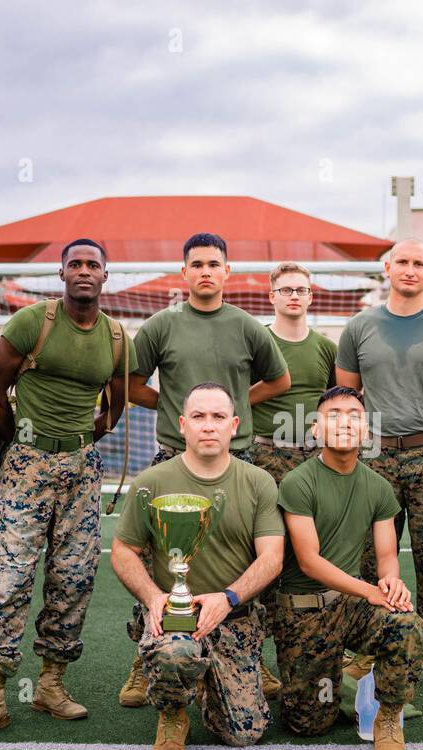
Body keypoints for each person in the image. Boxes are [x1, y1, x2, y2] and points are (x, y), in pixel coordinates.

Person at [0, 238, 133, 741]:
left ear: (105, 276)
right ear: (61, 273)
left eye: (93, 264)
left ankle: (52, 684)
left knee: (74, 578)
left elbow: (117, 404)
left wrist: (82, 438)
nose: (84, 271)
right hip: (28, 466)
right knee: (11, 577)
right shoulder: (32, 322)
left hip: (83, 469)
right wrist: (22, 442)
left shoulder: (119, 338)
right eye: (75, 263)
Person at [118, 232, 290, 707]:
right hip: (173, 457)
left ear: (227, 272)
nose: (206, 271)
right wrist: (179, 410)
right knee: (164, 563)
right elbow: (131, 383)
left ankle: (252, 659)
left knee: (248, 561)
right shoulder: (160, 325)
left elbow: (279, 380)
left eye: (215, 264)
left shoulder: (248, 326)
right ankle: (146, 653)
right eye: (197, 264)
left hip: (238, 460)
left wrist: (229, 410)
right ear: (185, 273)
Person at [111, 382, 284, 750]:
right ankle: (173, 714)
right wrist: (154, 597)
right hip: (175, 620)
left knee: (245, 734)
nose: (209, 426)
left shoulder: (258, 483)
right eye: (199, 417)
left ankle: (209, 684)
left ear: (235, 425)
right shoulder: (151, 482)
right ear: (183, 424)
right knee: (176, 653)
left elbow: (272, 557)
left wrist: (229, 598)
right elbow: (123, 551)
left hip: (232, 617)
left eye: (219, 417)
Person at [335, 238, 423, 694]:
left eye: (419, 263)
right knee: (371, 557)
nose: (410, 270)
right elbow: (348, 399)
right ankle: (370, 645)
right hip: (375, 457)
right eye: (402, 262)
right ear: (387, 269)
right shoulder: (359, 327)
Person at [265, 386, 423, 750]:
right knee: (307, 724)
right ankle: (342, 683)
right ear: (316, 429)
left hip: (349, 606)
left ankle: (388, 717)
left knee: (405, 622)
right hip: (303, 611)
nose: (345, 422)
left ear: (367, 431)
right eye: (333, 414)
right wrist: (369, 590)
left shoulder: (379, 487)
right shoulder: (298, 482)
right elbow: (309, 561)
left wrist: (390, 583)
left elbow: (387, 556)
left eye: (354, 415)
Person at [249, 261, 337, 484]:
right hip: (265, 454)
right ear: (272, 297)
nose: (294, 296)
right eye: (286, 290)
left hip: (315, 456)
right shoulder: (255, 342)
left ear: (310, 297)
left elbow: (335, 400)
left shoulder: (327, 347)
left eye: (301, 290)